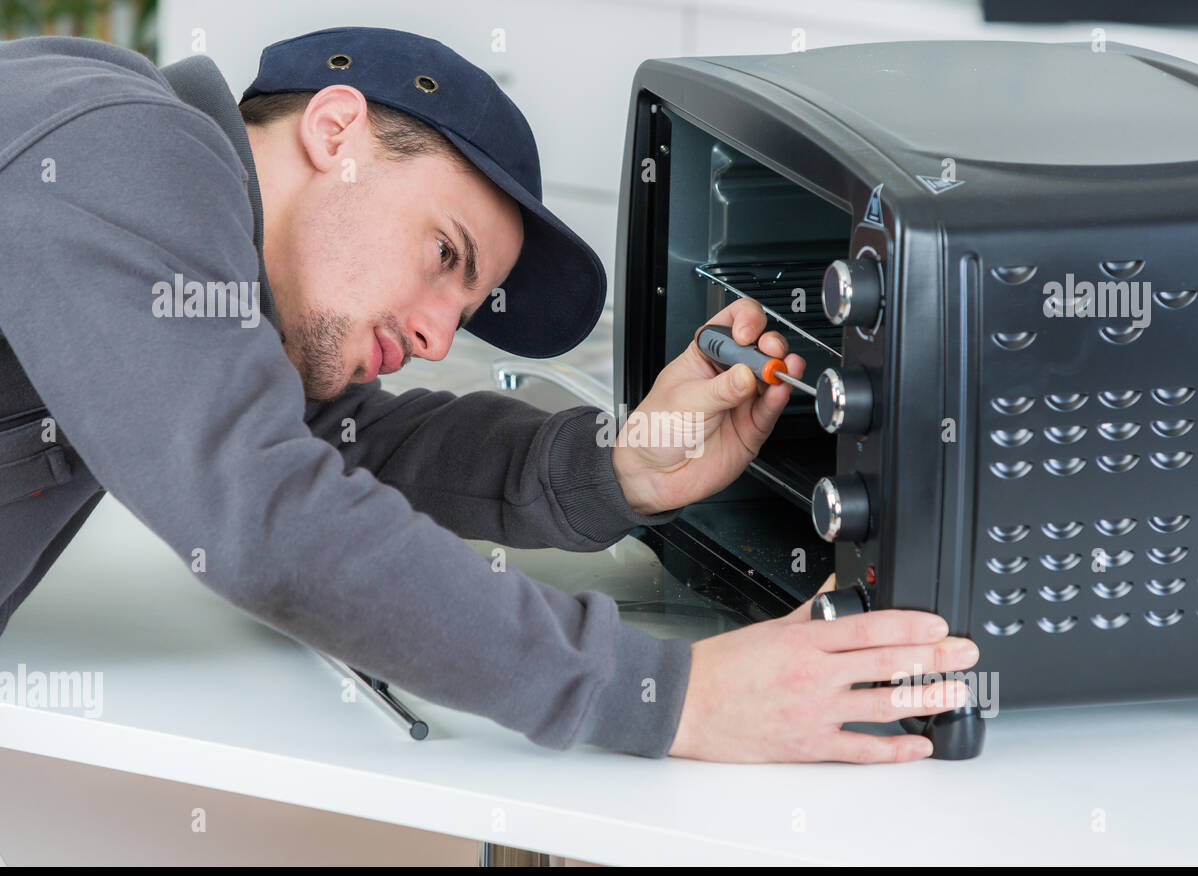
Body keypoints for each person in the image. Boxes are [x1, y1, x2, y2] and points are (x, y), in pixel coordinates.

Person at [0, 26, 976, 763]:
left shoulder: (179, 245)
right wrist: (672, 695)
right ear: (336, 131)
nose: (432, 334)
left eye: (461, 309)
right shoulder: (129, 147)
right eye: (443, 254)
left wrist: (620, 466)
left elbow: (342, 447)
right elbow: (266, 513)